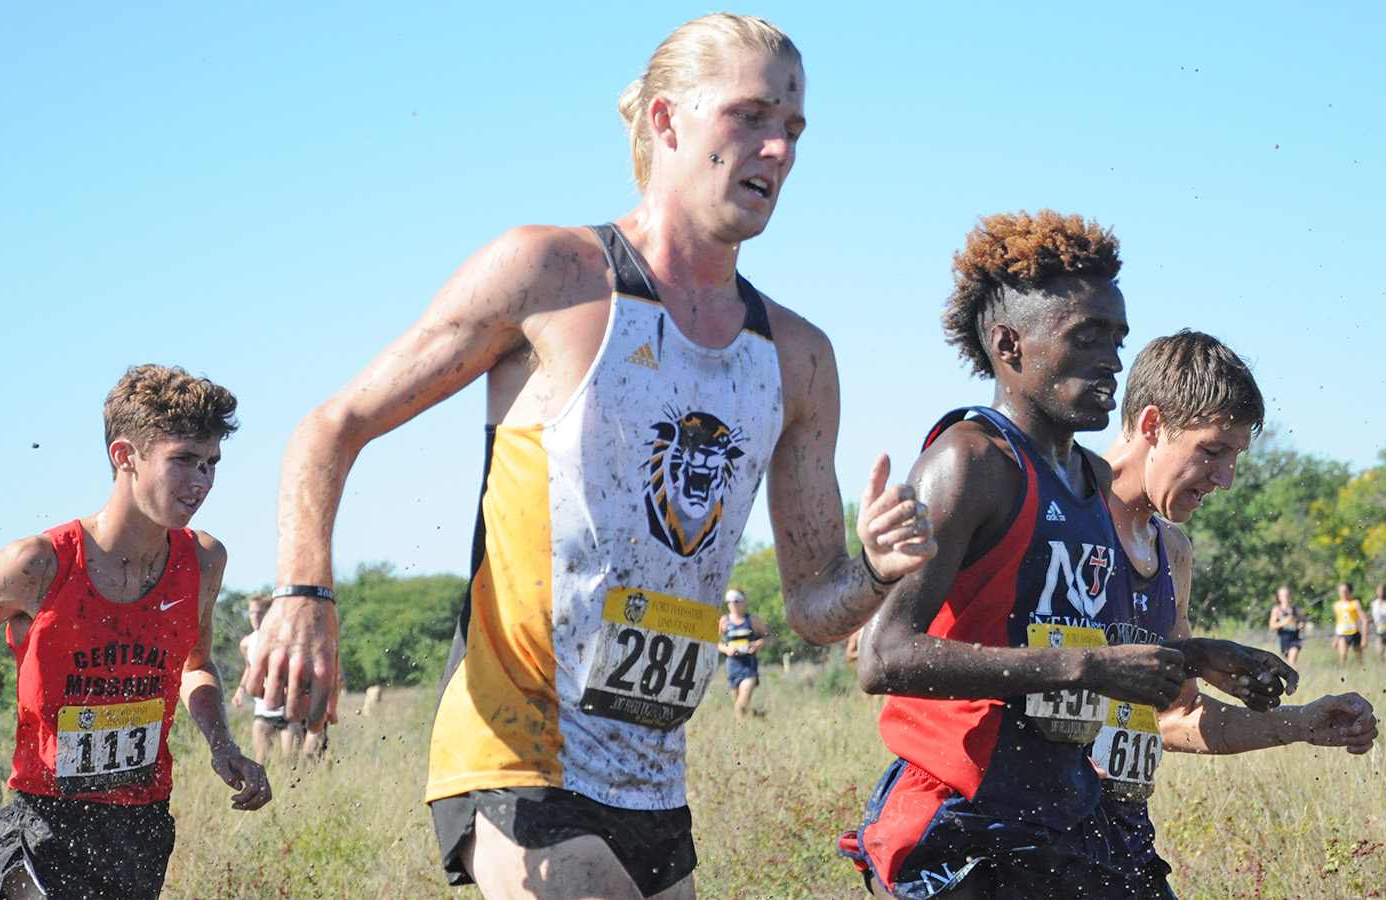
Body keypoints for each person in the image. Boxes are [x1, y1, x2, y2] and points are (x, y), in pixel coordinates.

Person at [244, 15, 934, 900]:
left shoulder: (797, 357)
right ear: (665, 121)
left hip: (654, 779)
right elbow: (331, 426)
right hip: (513, 748)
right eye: (750, 116)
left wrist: (874, 572)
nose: (778, 148)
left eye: (794, 129)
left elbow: (809, 605)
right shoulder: (554, 274)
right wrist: (305, 595)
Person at [839, 212, 1292, 899]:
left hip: (1071, 816)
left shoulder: (1092, 485)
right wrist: (1086, 666)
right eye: (1087, 337)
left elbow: (1088, 642)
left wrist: (1201, 658)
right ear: (1009, 345)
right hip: (962, 826)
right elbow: (883, 656)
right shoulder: (970, 462)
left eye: (1117, 339)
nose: (1111, 359)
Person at [1098, 330, 1377, 898]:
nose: (1225, 478)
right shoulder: (1055, 515)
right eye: (1212, 450)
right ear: (1152, 425)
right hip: (1020, 833)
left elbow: (1174, 719)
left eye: (1234, 457)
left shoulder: (1172, 551)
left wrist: (1299, 723)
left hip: (1120, 838)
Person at [0, 365, 271, 900]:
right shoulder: (40, 563)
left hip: (140, 828)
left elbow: (196, 663)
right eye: (183, 460)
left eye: (211, 463)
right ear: (125, 457)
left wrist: (222, 742)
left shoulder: (203, 561)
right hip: (44, 825)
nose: (201, 482)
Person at [232, 594, 304, 764]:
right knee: (261, 763)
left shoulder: (287, 639)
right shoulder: (247, 643)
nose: (255, 617)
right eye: (251, 613)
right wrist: (240, 689)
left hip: (288, 711)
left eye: (260, 613)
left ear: (270, 614)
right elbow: (250, 668)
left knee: (291, 763)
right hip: (263, 710)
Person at [718, 588, 770, 720]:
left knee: (740, 707)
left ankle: (742, 733)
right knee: (739, 705)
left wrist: (759, 644)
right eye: (729, 602)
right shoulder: (724, 621)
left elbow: (769, 636)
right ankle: (758, 716)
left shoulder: (752, 620)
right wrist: (726, 649)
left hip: (748, 666)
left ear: (743, 602)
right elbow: (712, 642)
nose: (732, 605)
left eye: (736, 601)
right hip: (732, 666)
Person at [1267, 586, 1305, 666]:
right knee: (1288, 664)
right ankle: (1293, 675)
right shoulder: (1277, 610)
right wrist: (1283, 622)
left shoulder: (1296, 610)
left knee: (1292, 659)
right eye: (1283, 596)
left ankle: (1294, 675)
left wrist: (1301, 624)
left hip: (1295, 639)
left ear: (1291, 596)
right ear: (1279, 597)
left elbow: (1303, 621)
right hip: (1284, 640)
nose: (1286, 598)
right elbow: (1271, 626)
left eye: (1287, 595)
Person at [1332, 582, 1367, 668]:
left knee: (1359, 658)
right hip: (1343, 633)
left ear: (1349, 591)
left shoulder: (1355, 603)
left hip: (1354, 632)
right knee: (1343, 655)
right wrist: (1335, 639)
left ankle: (1360, 672)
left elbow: (1364, 620)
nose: (1343, 593)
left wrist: (1364, 639)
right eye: (1340, 591)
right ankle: (1343, 673)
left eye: (1345, 591)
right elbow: (1338, 622)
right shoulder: (1336, 605)